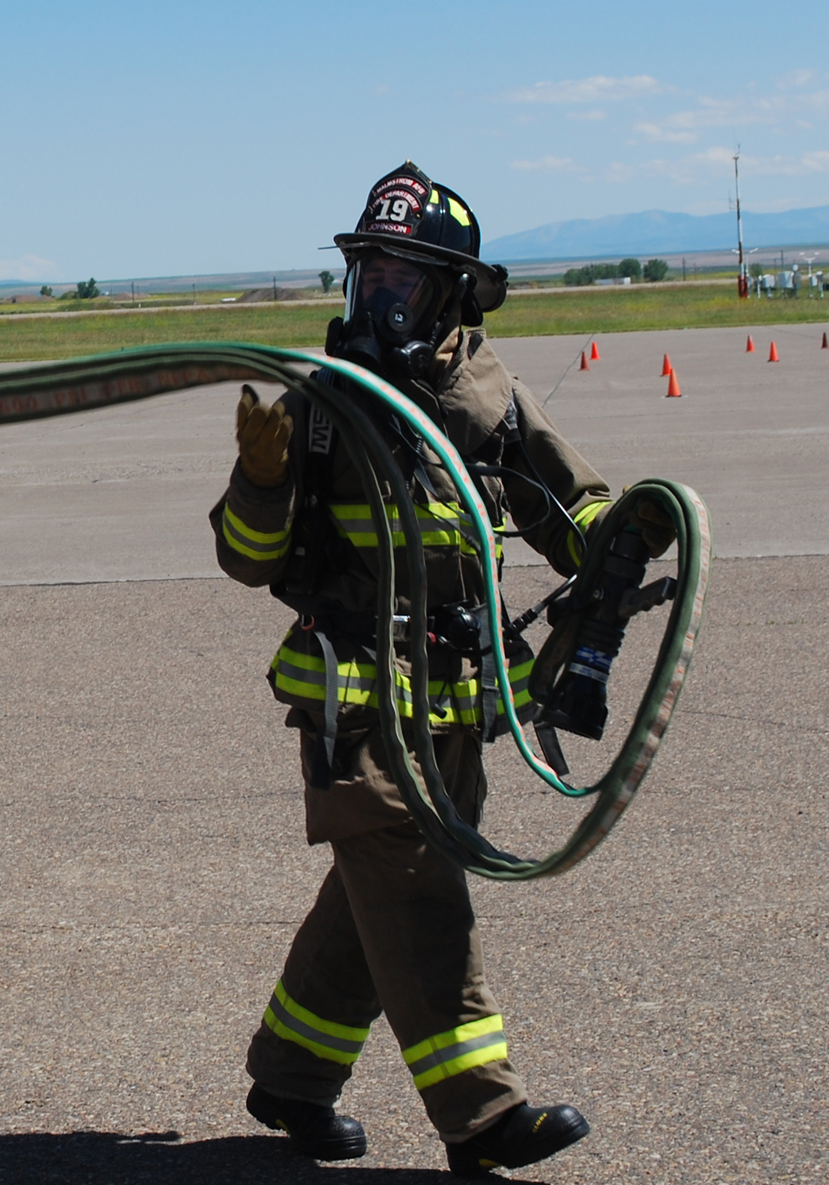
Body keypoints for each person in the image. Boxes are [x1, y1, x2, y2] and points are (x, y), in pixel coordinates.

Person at [212, 163, 658, 1175]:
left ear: (454, 292)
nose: (376, 298)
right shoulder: (322, 406)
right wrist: (263, 475)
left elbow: (573, 515)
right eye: (364, 275)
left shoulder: (491, 399)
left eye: (400, 280)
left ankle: (290, 1078)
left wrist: (624, 537)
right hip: (354, 707)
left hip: (459, 707)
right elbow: (247, 558)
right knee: (417, 894)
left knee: (368, 904)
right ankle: (482, 1116)